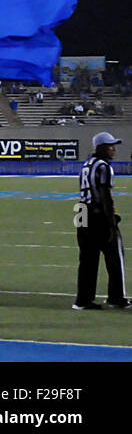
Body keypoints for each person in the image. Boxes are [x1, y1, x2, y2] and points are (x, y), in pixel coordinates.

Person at [74, 131, 129, 310]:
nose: (113, 149)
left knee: (87, 260)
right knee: (115, 256)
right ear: (101, 147)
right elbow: (105, 195)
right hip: (97, 214)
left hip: (81, 211)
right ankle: (116, 297)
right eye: (110, 146)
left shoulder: (86, 164)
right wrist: (111, 221)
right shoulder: (104, 166)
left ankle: (82, 300)